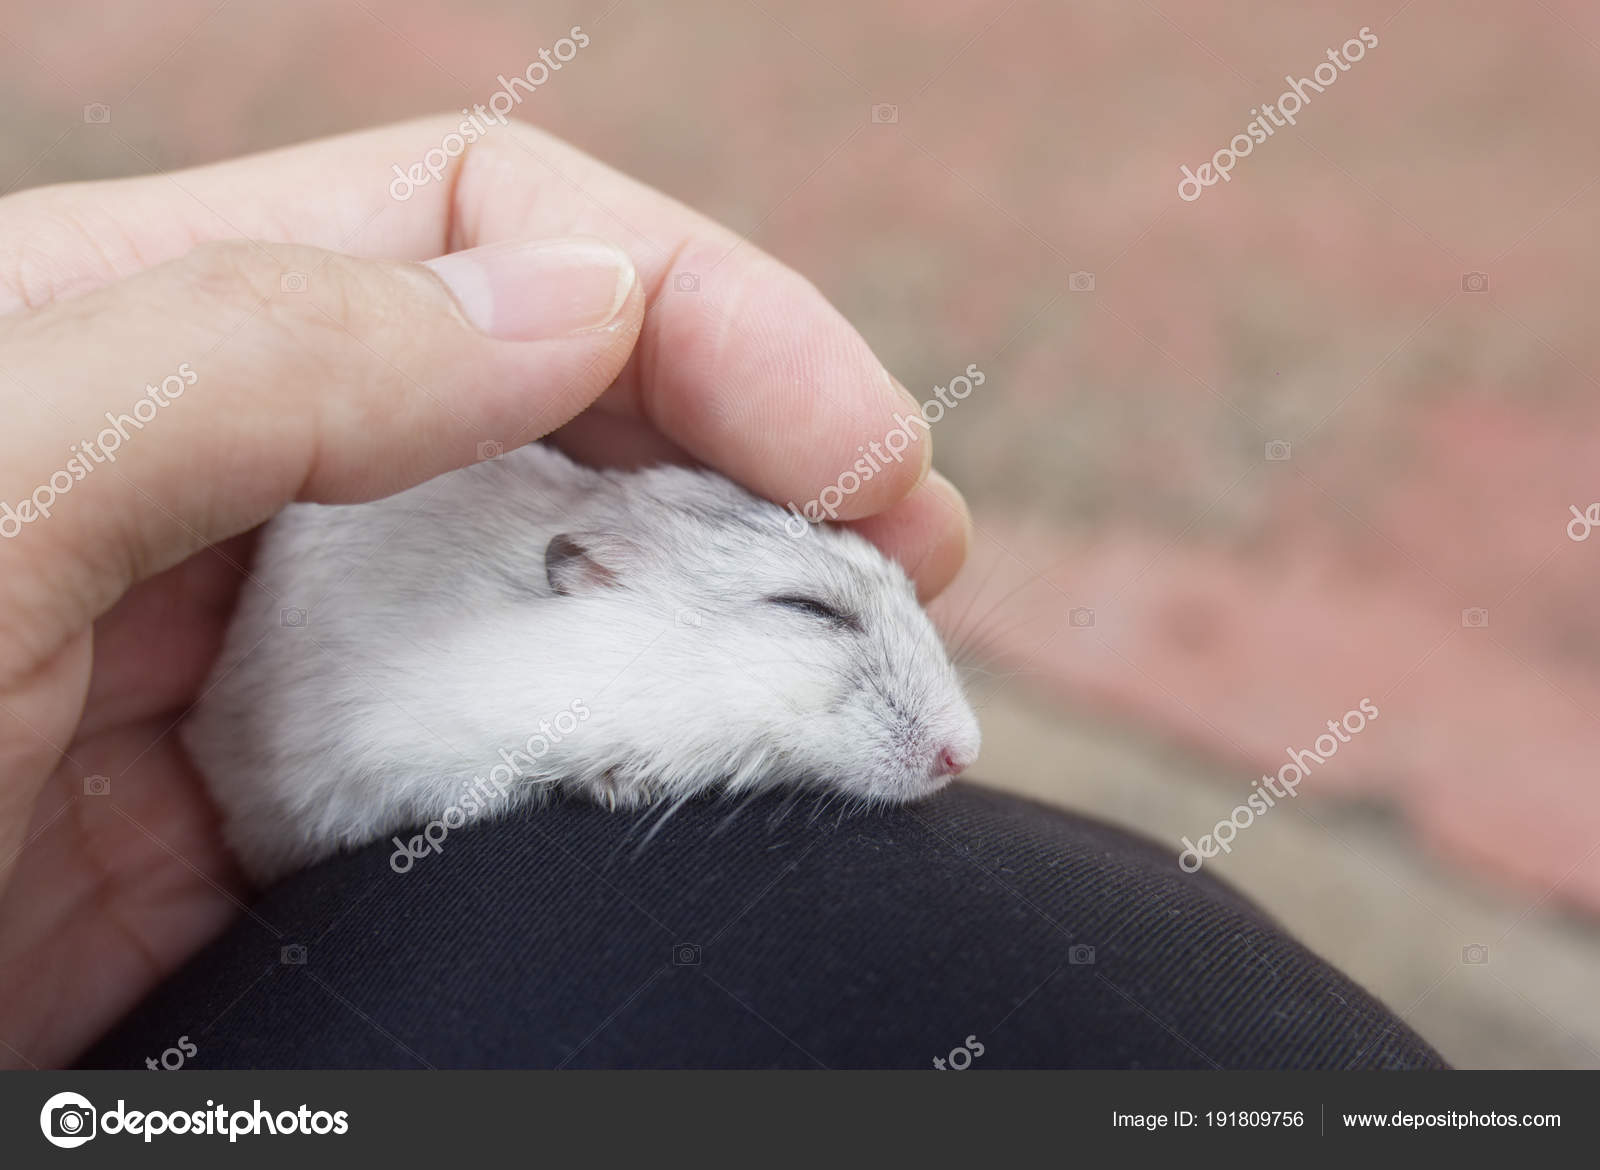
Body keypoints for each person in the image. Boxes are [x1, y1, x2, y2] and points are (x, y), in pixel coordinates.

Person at [0, 119, 1440, 1069]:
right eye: (811, 619)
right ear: (596, 578)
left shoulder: (558, 619)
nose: (952, 746)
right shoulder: (459, 636)